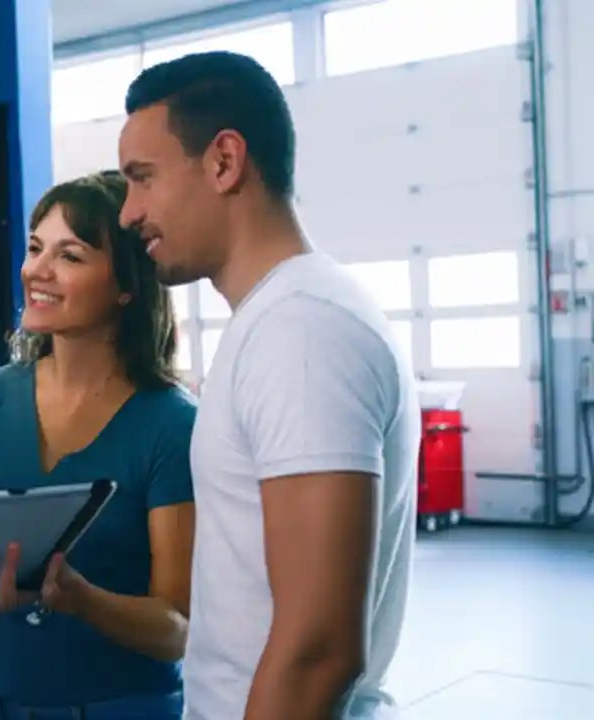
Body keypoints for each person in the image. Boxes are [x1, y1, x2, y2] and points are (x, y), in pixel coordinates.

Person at [116, 51, 420, 719]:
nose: (128, 213)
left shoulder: (302, 332)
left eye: (143, 179)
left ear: (224, 161)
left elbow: (319, 649)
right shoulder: (278, 320)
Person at [0, 172, 197, 719]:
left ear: (127, 285)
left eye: (70, 256)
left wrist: (78, 598)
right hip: (6, 707)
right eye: (36, 249)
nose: (36, 270)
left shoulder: (171, 425)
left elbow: (178, 629)